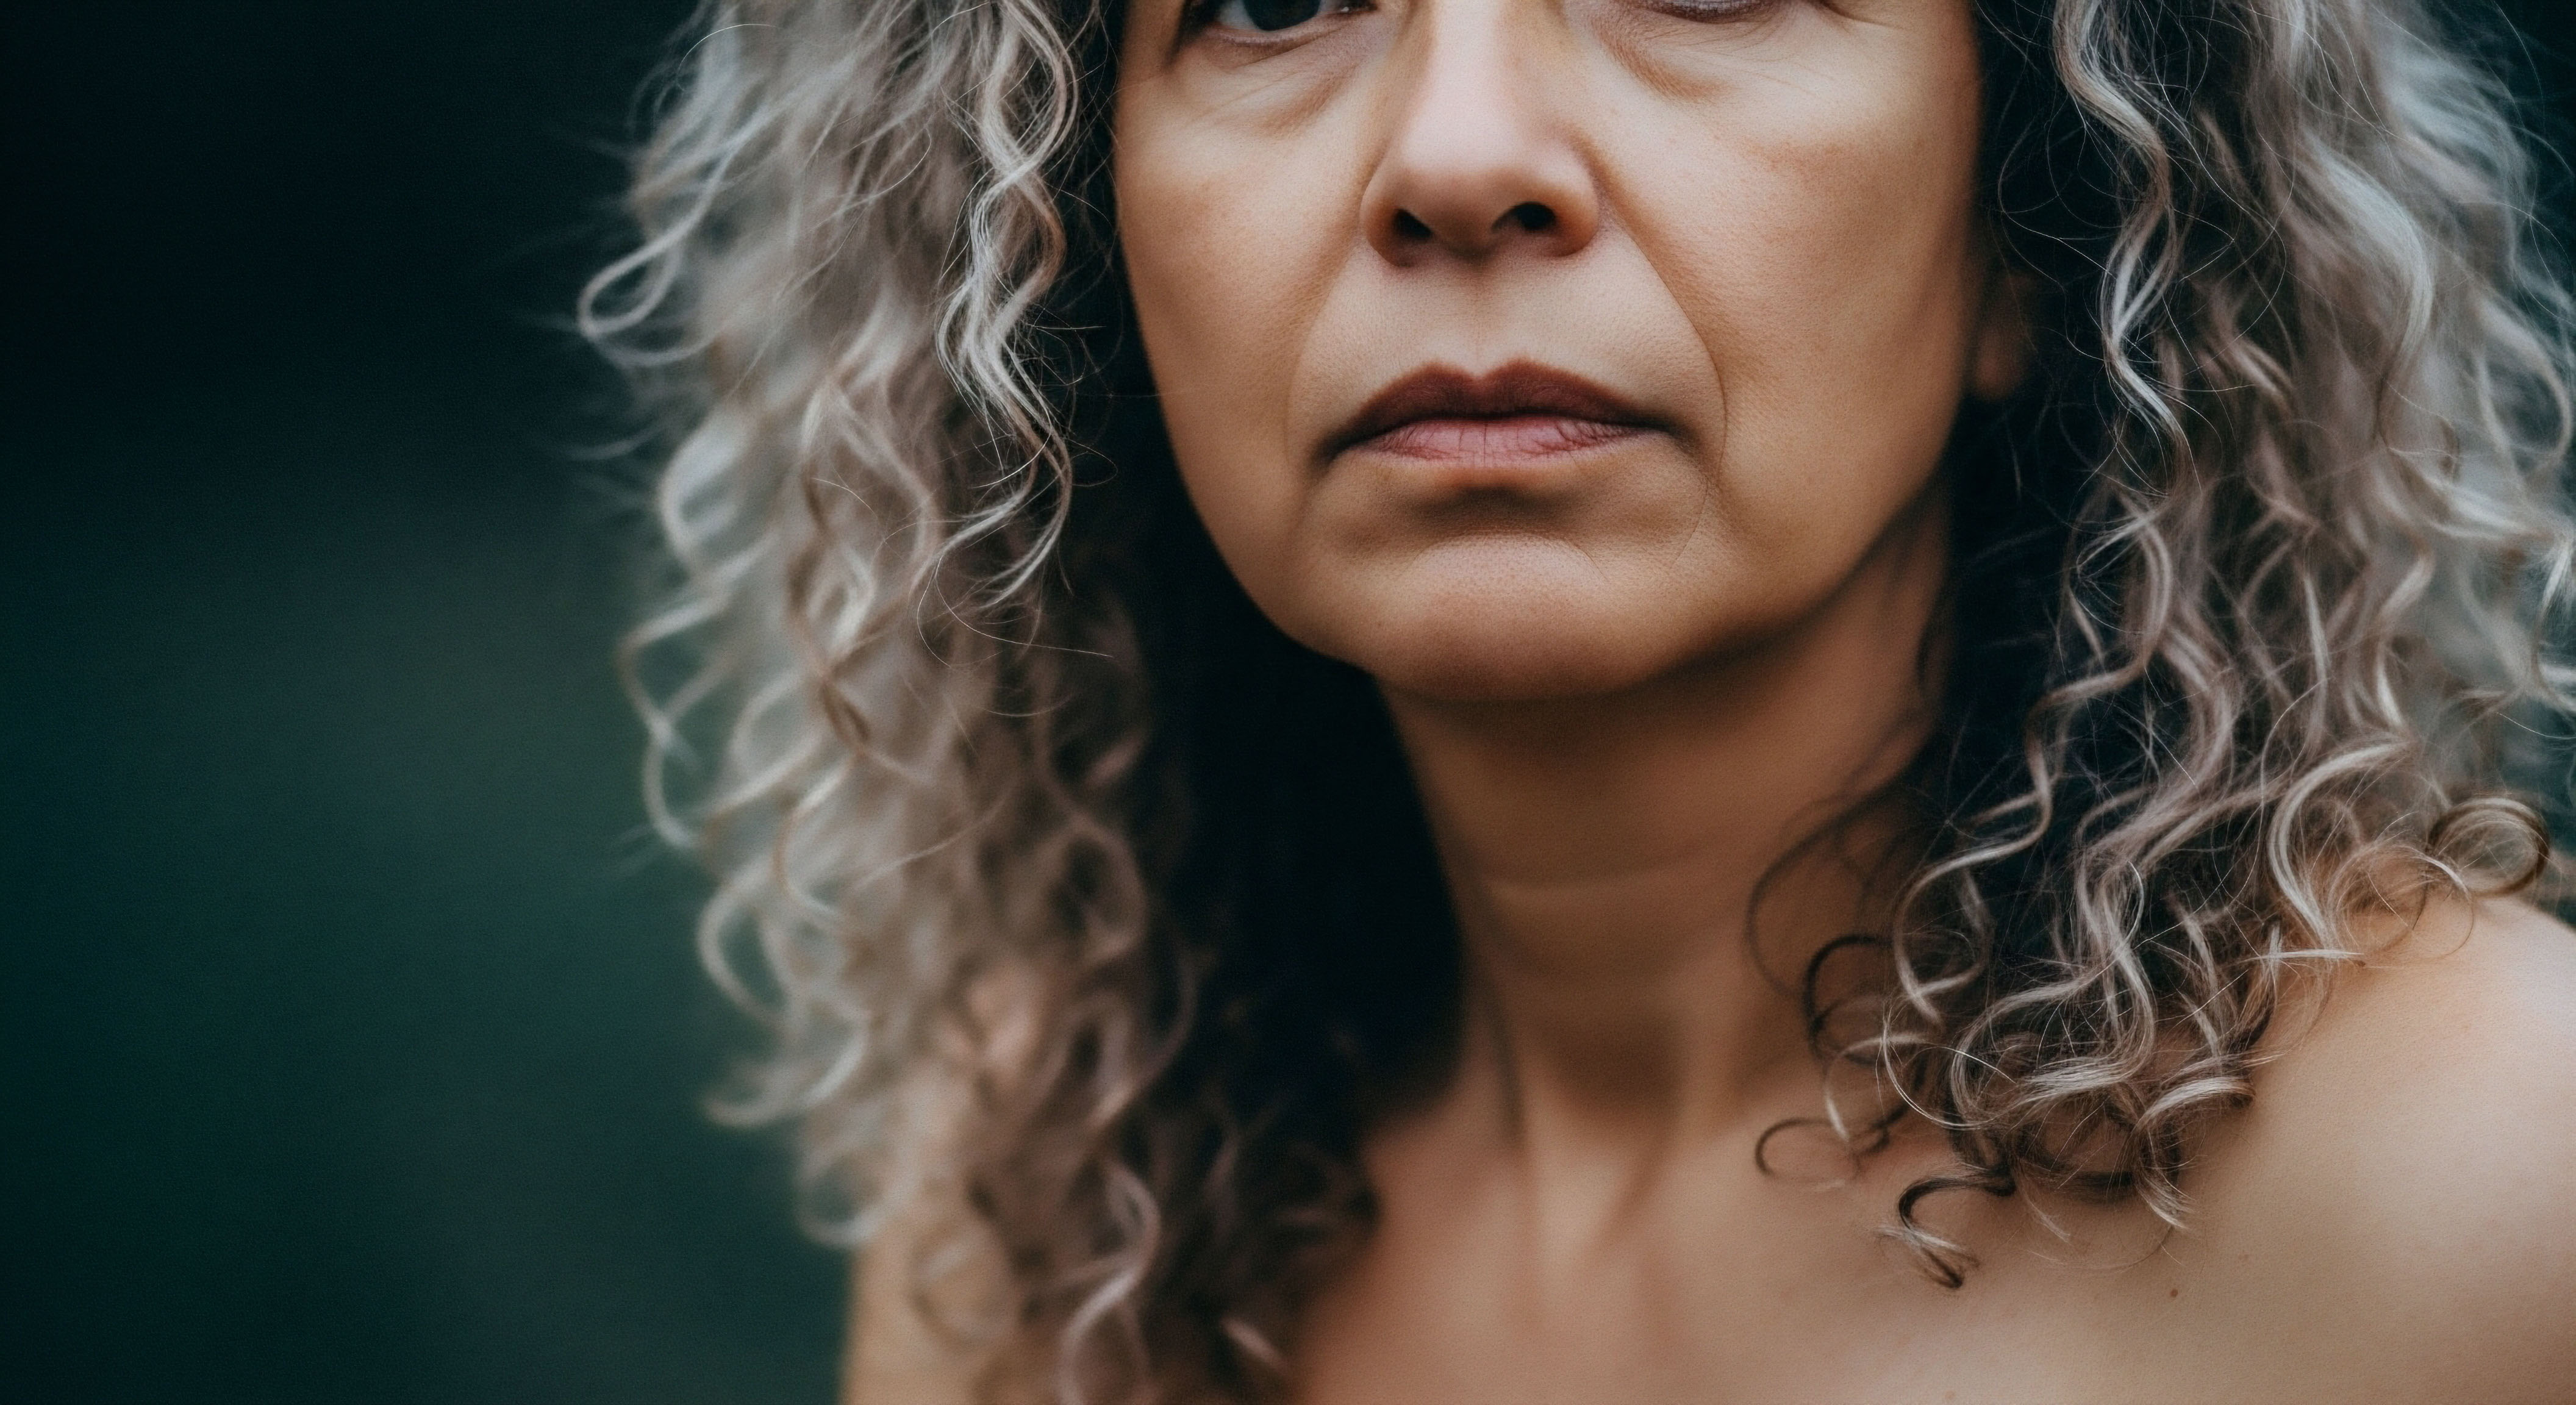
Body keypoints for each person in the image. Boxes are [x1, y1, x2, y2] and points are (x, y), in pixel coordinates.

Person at [585, 0, 2576, 1399]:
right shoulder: (1050, 1218)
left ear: (2049, 233)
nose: (1459, 155)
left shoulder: (2491, 1183)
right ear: (1074, 258)